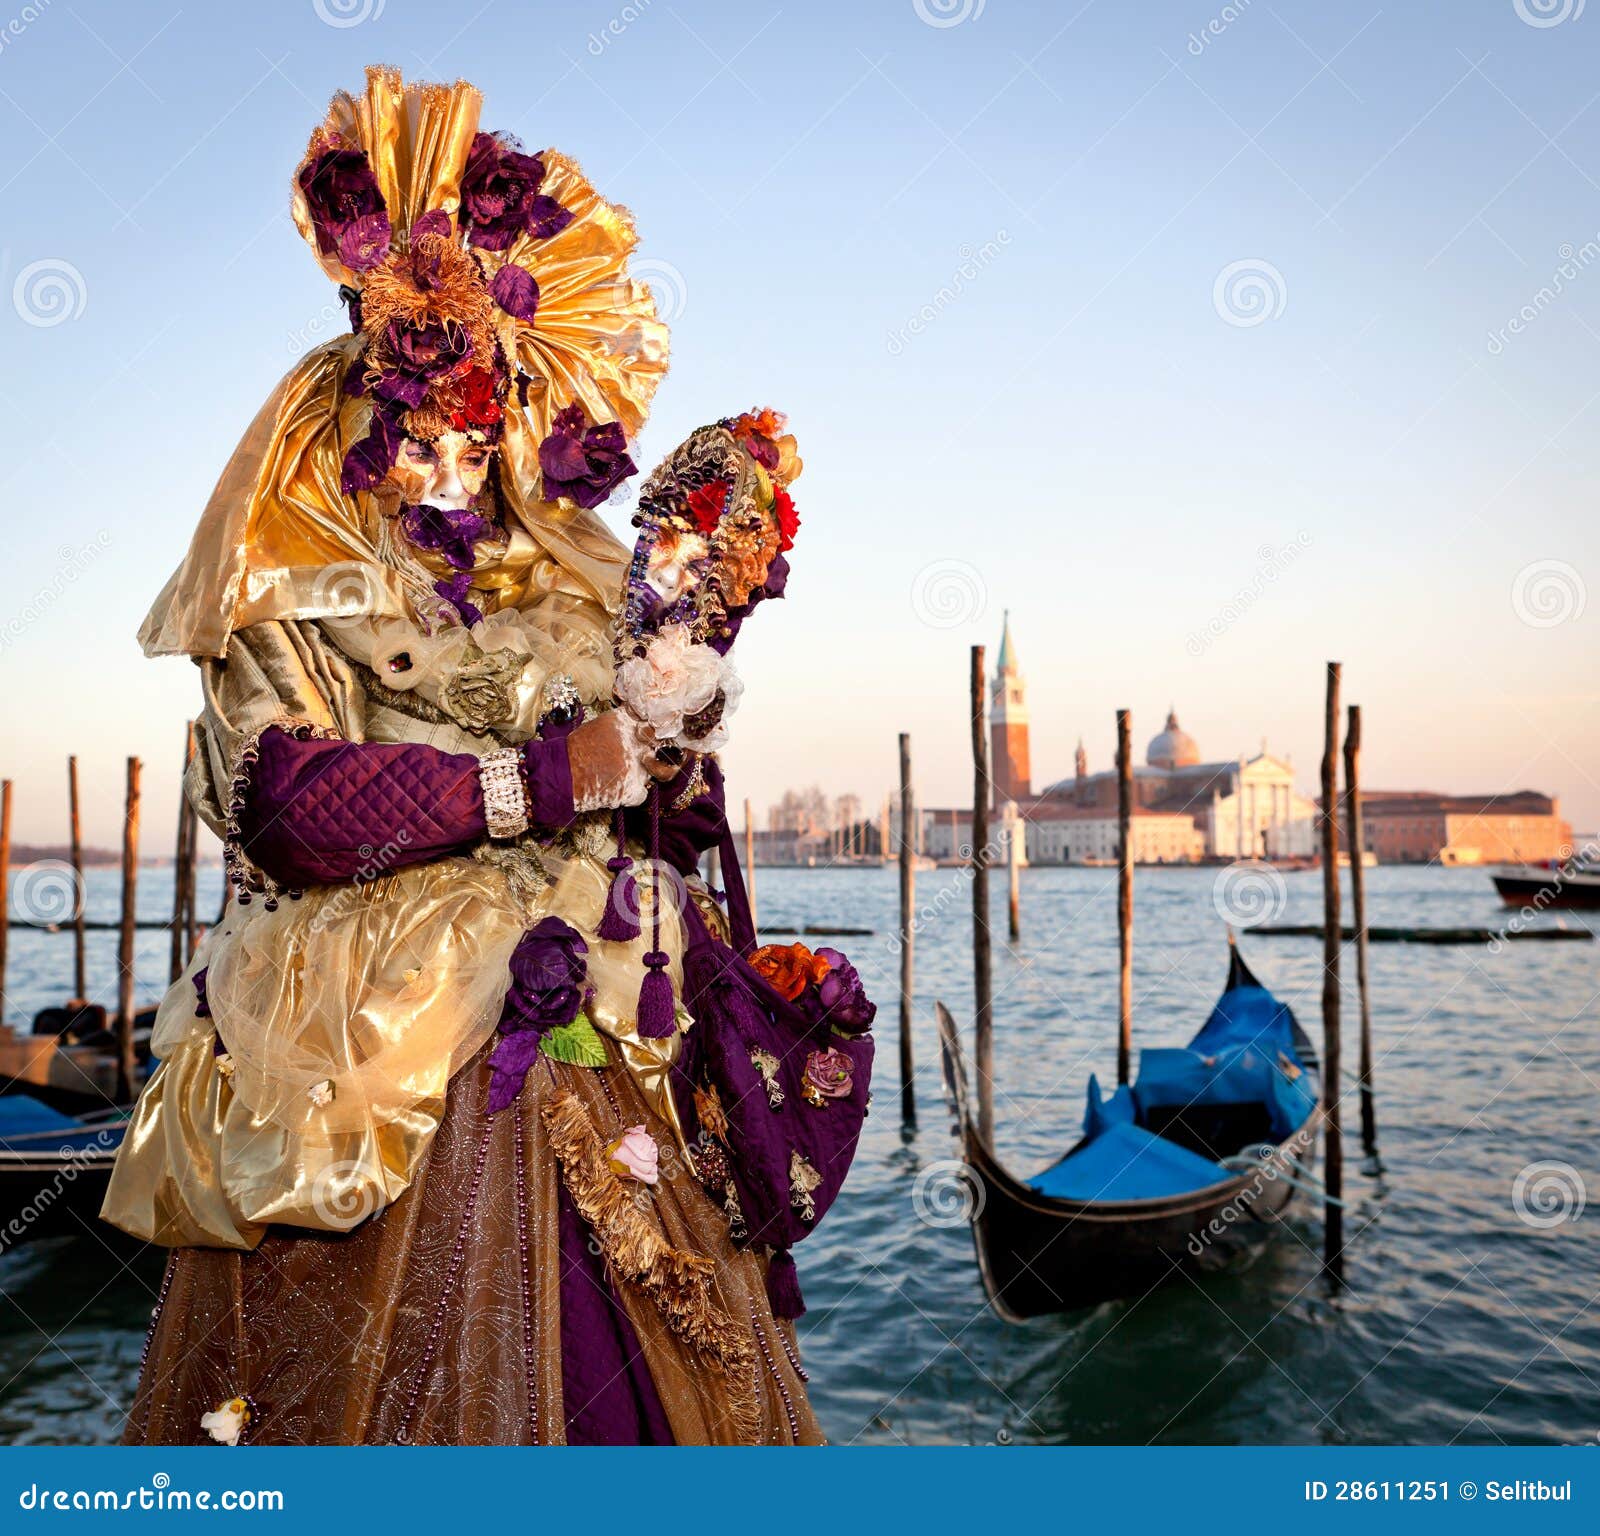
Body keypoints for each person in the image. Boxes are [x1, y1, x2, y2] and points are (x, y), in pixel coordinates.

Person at [103, 68, 873, 1446]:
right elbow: (280, 804)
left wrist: (676, 720)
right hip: (369, 1029)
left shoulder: (575, 577)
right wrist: (536, 783)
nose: (451, 439)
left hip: (601, 1004)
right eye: (420, 399)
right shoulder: (287, 565)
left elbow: (650, 810)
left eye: (476, 407)